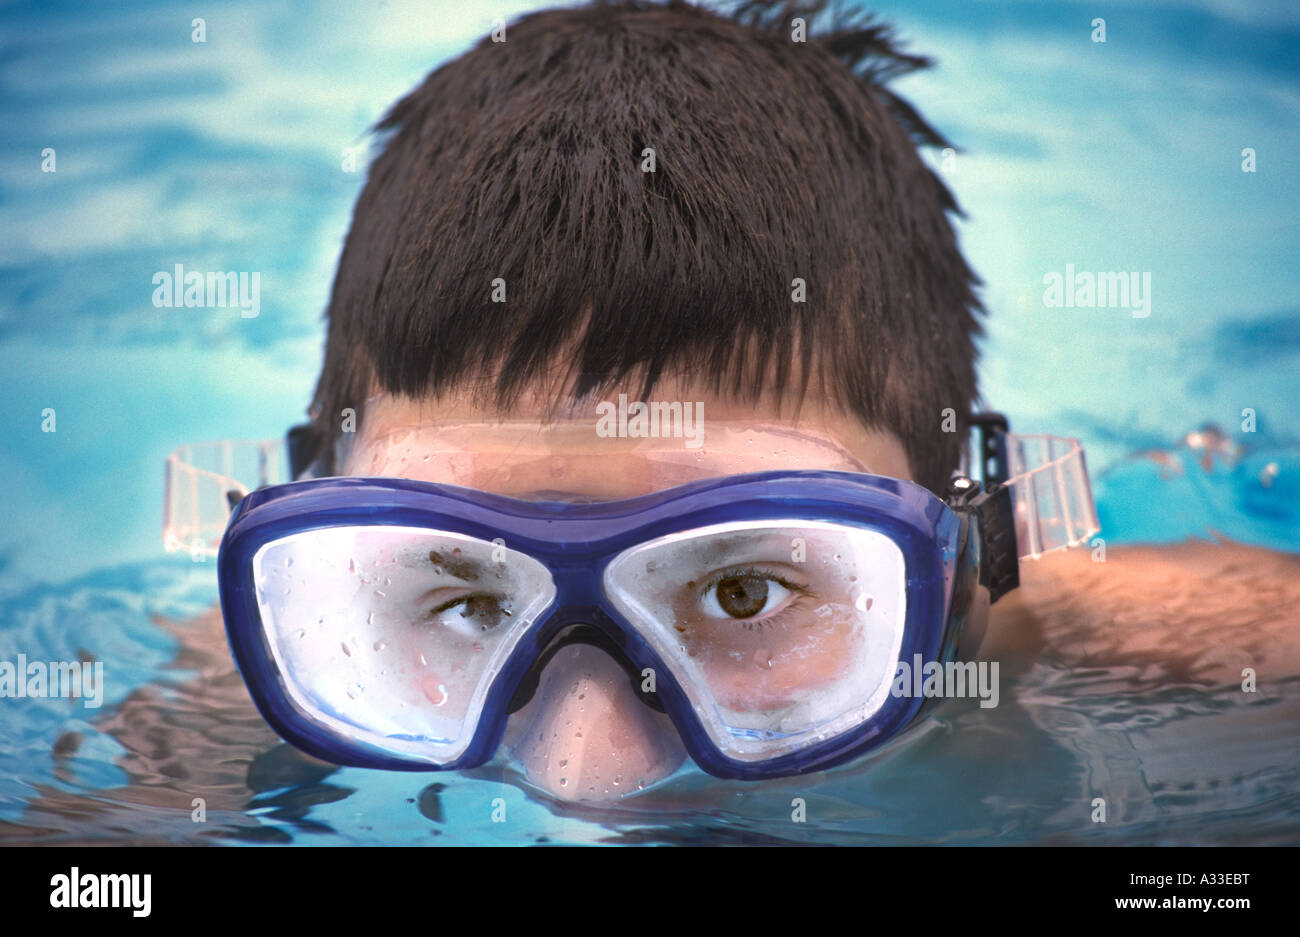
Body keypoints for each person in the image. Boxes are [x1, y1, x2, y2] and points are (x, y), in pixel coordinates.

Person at [162, 0, 1300, 810]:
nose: (586, 778)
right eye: (458, 591)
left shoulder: (1170, 646)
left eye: (742, 587)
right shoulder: (273, 665)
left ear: (966, 562)